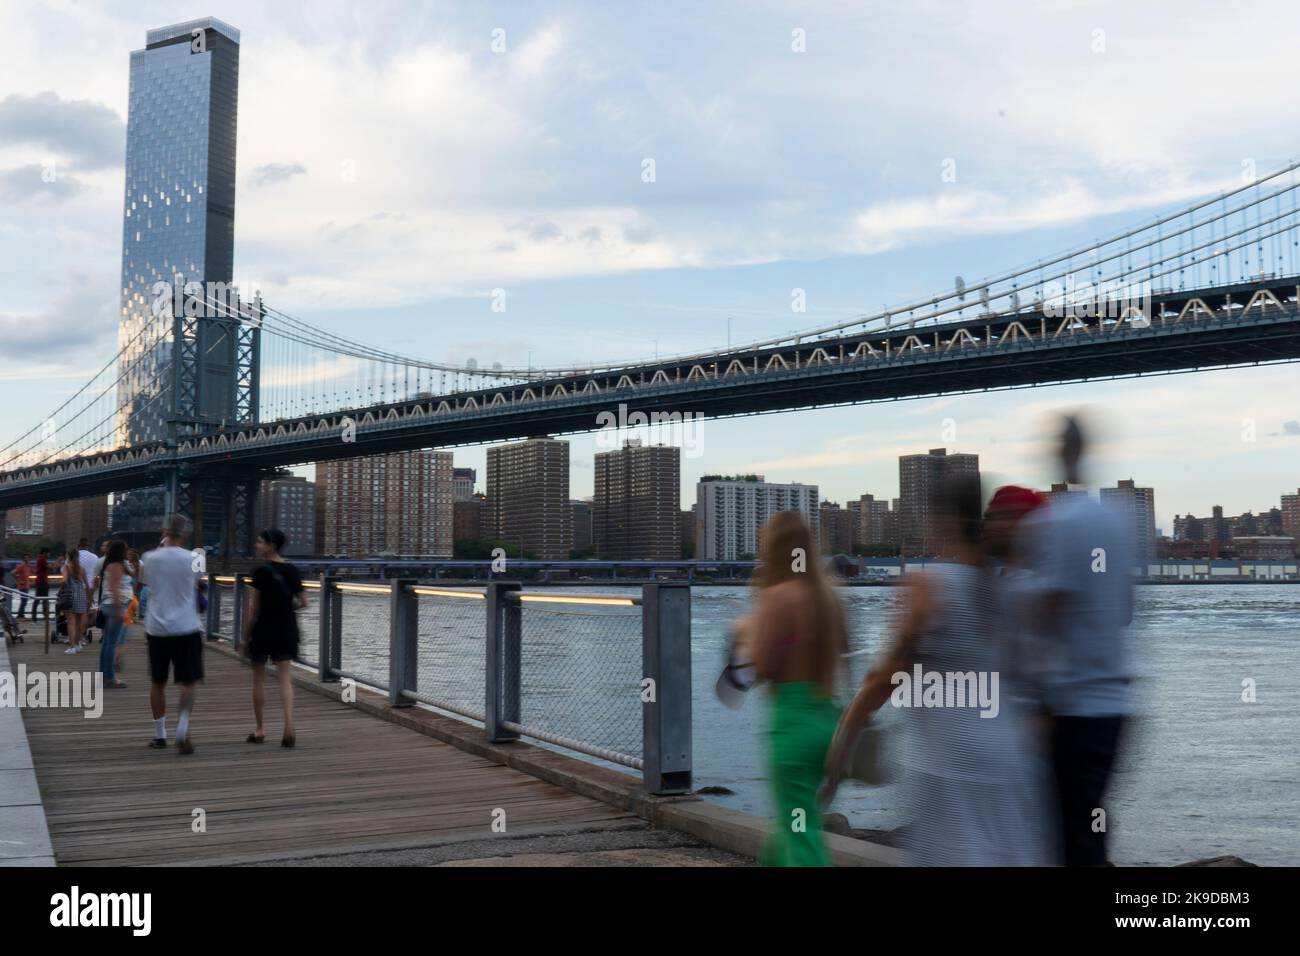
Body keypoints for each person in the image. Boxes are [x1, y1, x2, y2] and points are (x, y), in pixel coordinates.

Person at [825, 473, 1047, 866]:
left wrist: (842, 745)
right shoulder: (1010, 590)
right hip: (1009, 759)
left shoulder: (930, 585)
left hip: (949, 765)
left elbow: (886, 678)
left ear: (944, 519)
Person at [1020, 415, 1135, 866]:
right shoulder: (1119, 518)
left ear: (1061, 451)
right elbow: (1124, 609)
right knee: (1089, 827)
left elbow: (1049, 610)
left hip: (1071, 707)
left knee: (1062, 838)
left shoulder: (1060, 522)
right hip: (1116, 702)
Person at [731, 510, 846, 867]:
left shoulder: (778, 596)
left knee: (799, 833)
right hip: (826, 717)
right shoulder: (828, 598)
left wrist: (743, 635)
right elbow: (845, 658)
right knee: (788, 825)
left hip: (792, 722)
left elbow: (759, 669)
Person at [139, 514, 204, 755]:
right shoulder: (195, 559)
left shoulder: (149, 558)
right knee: (188, 682)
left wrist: (160, 547)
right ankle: (183, 728)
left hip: (156, 627)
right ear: (185, 534)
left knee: (158, 682)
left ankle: (160, 734)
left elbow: (147, 584)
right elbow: (197, 584)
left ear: (165, 531)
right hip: (187, 627)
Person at [238, 529, 307, 748]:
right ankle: (289, 729)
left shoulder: (259, 571)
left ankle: (260, 730)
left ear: (271, 545)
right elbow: (304, 601)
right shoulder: (292, 570)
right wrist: (286, 607)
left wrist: (244, 637)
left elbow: (253, 608)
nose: (257, 545)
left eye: (260, 542)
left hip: (263, 628)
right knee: (285, 678)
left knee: (259, 680)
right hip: (286, 627)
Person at [94, 539, 132, 689]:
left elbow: (133, 573)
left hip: (108, 605)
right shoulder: (116, 566)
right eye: (125, 549)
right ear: (120, 551)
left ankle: (104, 676)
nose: (127, 551)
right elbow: (114, 588)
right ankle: (110, 678)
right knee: (111, 643)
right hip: (115, 605)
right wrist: (118, 609)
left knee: (107, 643)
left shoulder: (112, 565)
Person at [60, 550, 90, 656]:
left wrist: (60, 592)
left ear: (68, 556)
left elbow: (64, 581)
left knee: (71, 622)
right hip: (81, 595)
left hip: (70, 595)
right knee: (79, 623)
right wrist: (89, 599)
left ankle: (72, 647)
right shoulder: (81, 568)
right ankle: (78, 644)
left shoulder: (66, 567)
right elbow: (87, 585)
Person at [33, 547, 50, 622]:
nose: (49, 554)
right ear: (44, 553)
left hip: (41, 582)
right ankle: (37, 619)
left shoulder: (40, 558)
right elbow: (50, 567)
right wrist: (58, 561)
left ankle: (42, 618)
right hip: (42, 582)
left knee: (41, 600)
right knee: (42, 600)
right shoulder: (42, 559)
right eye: (48, 553)